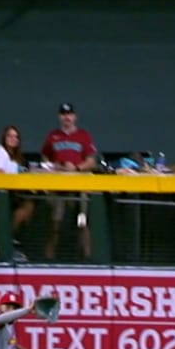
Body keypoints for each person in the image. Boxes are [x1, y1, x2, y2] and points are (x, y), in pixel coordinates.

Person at [40, 103, 99, 261]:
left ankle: (88, 259)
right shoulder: (53, 136)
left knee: (82, 223)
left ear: (74, 116)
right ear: (59, 117)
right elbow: (45, 158)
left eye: (70, 114)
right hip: (58, 186)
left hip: (79, 186)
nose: (67, 117)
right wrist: (56, 166)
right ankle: (49, 260)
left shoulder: (83, 135)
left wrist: (76, 168)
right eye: (63, 114)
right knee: (55, 225)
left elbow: (91, 161)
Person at [0, 125, 36, 259]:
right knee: (24, 208)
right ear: (4, 137)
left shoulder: (15, 156)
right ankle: (0, 242)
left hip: (11, 195)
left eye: (16, 137)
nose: (13, 139)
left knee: (29, 205)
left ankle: (7, 241)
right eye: (10, 136)